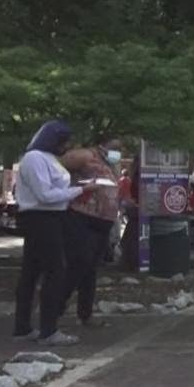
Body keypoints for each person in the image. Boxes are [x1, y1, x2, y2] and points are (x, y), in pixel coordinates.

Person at [13, 120, 96, 346]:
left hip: (52, 216)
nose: (67, 146)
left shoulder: (48, 158)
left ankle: (23, 327)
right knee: (54, 270)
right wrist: (80, 190)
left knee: (31, 271)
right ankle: (48, 330)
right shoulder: (34, 159)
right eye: (64, 142)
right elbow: (45, 195)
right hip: (40, 217)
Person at [60, 136, 123, 328]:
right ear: (102, 145)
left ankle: (85, 314)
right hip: (82, 216)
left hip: (103, 221)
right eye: (114, 147)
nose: (118, 151)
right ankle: (56, 305)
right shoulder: (87, 156)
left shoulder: (111, 165)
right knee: (79, 263)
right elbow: (59, 166)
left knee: (91, 269)